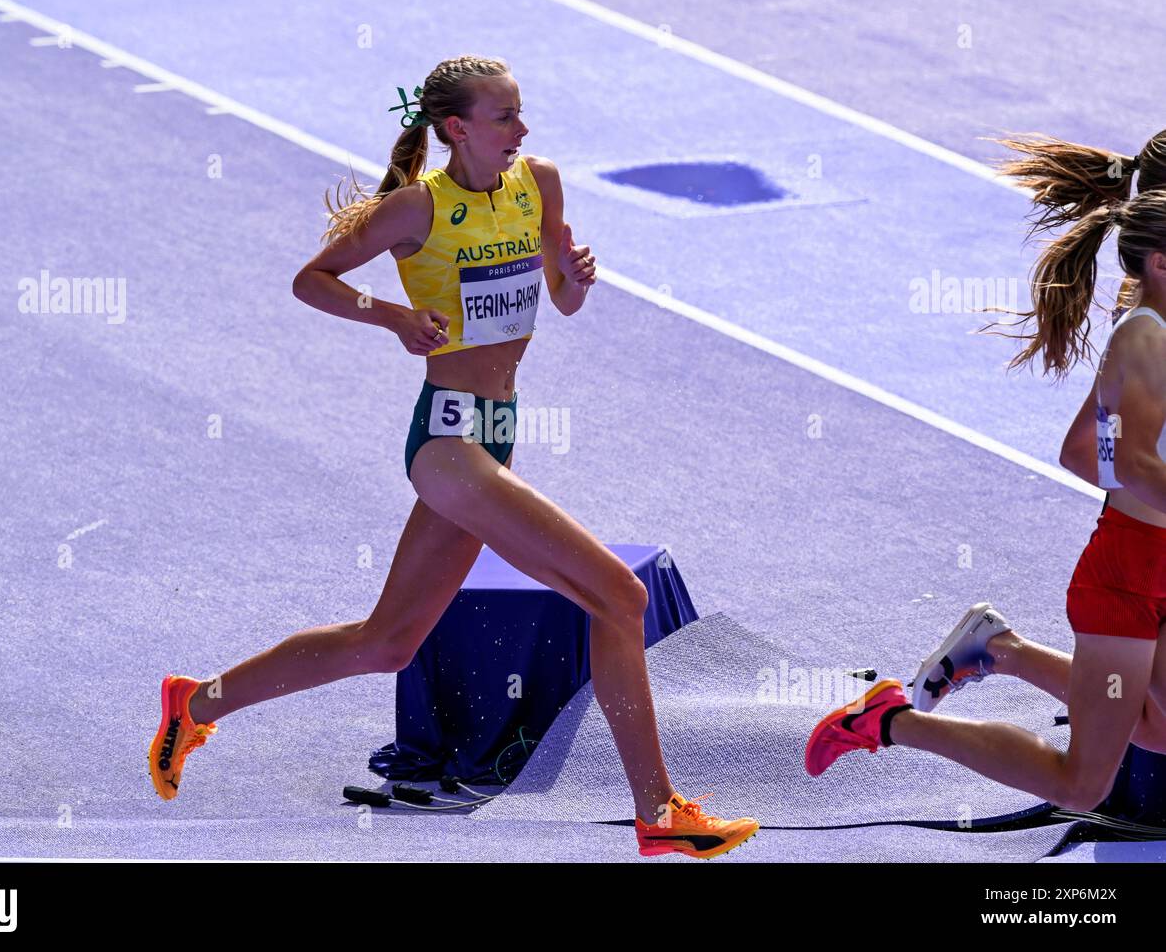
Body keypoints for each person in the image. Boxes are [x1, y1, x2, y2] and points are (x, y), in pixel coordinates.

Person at [147, 54, 757, 859]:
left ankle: (197, 702)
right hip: (446, 441)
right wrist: (394, 317)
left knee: (386, 642)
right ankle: (659, 814)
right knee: (619, 595)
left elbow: (561, 298)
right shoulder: (414, 210)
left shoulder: (539, 181)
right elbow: (313, 280)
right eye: (504, 117)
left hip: (498, 429)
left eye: (521, 113)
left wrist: (572, 278)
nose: (522, 129)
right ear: (456, 129)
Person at [805, 132, 1166, 816]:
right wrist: (1144, 499)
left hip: (1149, 556)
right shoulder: (1143, 327)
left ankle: (999, 650)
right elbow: (1121, 458)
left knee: (1153, 729)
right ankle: (889, 721)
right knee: (1082, 783)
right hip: (1127, 570)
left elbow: (1085, 453)